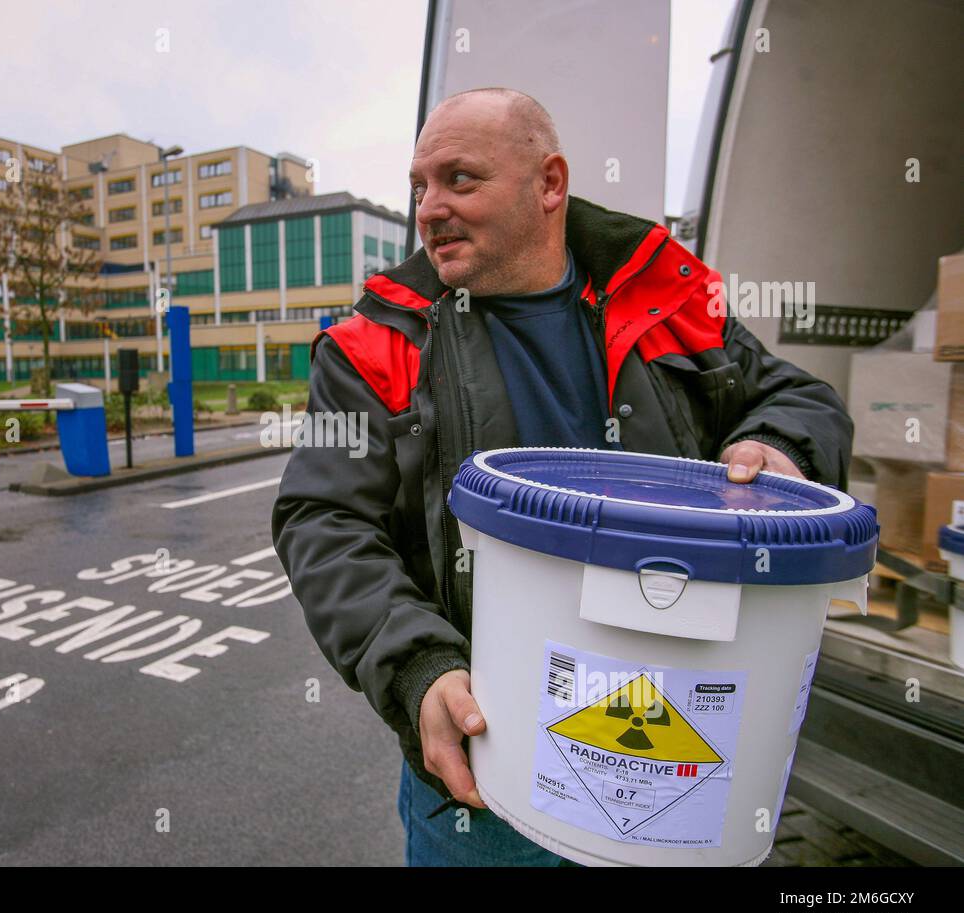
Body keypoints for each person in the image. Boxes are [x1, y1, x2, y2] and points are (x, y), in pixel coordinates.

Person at [271, 87, 853, 866]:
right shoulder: (376, 344)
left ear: (549, 184)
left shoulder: (666, 296)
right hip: (487, 785)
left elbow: (799, 397)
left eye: (460, 180)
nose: (429, 207)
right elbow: (324, 520)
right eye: (420, 186)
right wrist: (419, 669)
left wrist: (775, 449)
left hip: (678, 769)